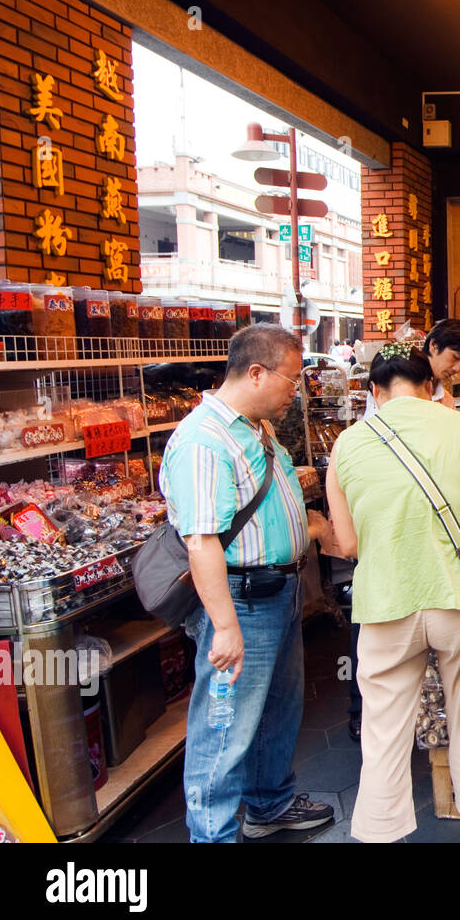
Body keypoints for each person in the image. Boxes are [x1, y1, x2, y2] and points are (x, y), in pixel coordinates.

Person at [325, 341, 460, 844]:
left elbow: (347, 545)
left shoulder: (347, 444)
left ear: (374, 391)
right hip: (455, 597)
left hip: (385, 602)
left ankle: (380, 832)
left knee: (383, 730)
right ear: (432, 388)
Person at [159, 324, 335, 843]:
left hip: (278, 591)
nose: (295, 390)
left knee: (279, 709)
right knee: (224, 727)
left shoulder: (257, 428)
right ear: (256, 373)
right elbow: (202, 542)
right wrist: (224, 627)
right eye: (290, 378)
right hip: (240, 600)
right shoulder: (203, 440)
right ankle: (211, 835)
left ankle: (269, 804)